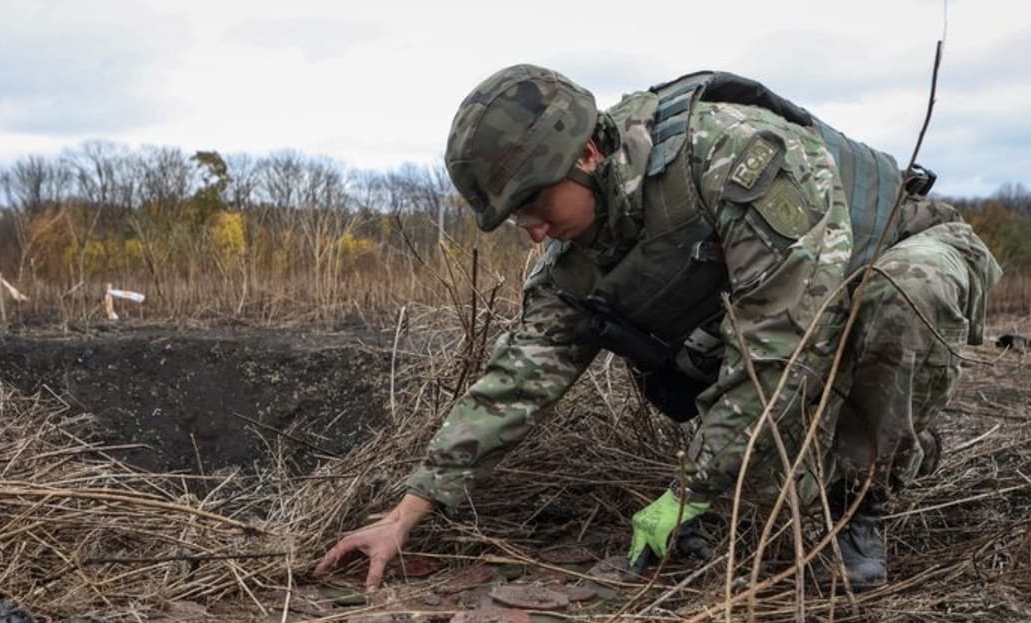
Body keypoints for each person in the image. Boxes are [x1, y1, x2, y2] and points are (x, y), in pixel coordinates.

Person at [316, 65, 1002, 592]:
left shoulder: (736, 157)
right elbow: (515, 382)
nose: (532, 232)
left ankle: (859, 502)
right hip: (790, 311)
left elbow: (781, 355)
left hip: (896, 254)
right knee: (696, 355)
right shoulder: (571, 263)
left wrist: (687, 497)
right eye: (513, 218)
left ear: (587, 154)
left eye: (533, 203)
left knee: (905, 295)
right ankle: (783, 486)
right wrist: (407, 512)